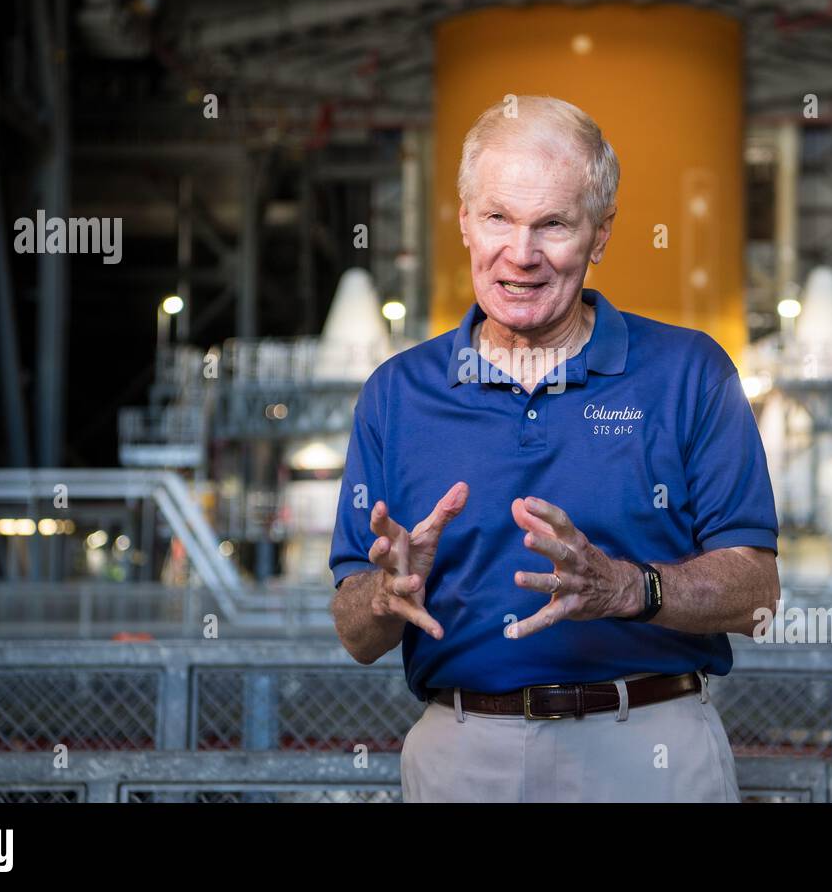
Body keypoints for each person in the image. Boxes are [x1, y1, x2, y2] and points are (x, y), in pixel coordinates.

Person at [329, 95, 779, 802]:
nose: (522, 254)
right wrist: (385, 596)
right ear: (464, 224)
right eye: (498, 218)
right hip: (461, 757)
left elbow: (758, 595)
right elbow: (355, 635)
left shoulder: (691, 372)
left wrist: (628, 588)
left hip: (650, 752)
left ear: (601, 235)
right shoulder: (396, 393)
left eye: (554, 225)